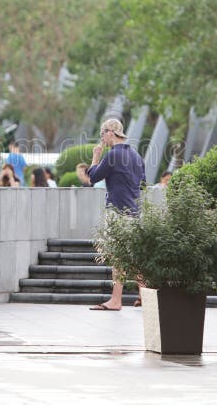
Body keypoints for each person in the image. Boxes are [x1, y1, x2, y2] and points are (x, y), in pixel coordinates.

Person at [87, 118, 146, 311]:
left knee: (119, 255)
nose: (102, 138)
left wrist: (96, 157)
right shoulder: (136, 155)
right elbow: (143, 184)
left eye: (102, 133)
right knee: (134, 256)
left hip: (117, 210)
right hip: (134, 211)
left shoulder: (113, 154)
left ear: (111, 133)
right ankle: (145, 294)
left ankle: (116, 300)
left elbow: (93, 177)